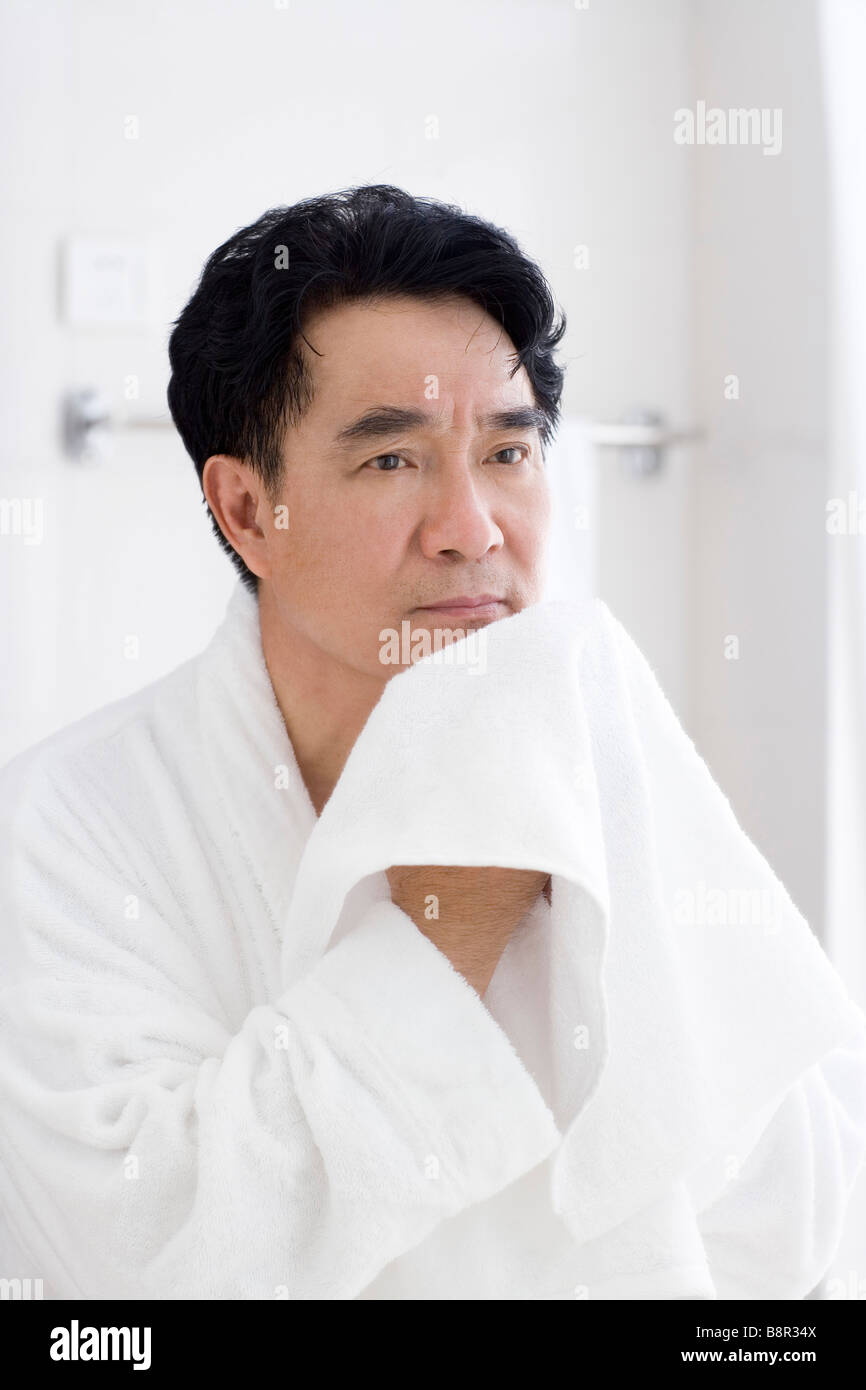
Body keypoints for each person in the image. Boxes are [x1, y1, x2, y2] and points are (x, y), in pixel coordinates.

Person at [1, 185, 864, 1300]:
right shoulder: (65, 832)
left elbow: (785, 1231)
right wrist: (444, 929)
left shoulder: (601, 759)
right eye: (391, 461)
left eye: (508, 455)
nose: (472, 529)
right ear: (247, 512)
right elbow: (141, 1267)